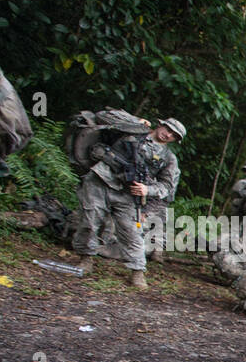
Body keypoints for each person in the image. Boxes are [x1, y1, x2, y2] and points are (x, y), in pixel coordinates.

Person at [73, 117, 184, 290]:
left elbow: (168, 186)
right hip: (101, 180)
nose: (167, 135)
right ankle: (85, 259)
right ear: (160, 124)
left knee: (133, 232)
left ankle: (138, 271)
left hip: (128, 193)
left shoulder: (168, 158)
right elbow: (103, 124)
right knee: (90, 221)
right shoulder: (133, 129)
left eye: (173, 135)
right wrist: (133, 121)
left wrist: (148, 190)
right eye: (167, 129)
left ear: (175, 140)